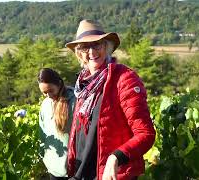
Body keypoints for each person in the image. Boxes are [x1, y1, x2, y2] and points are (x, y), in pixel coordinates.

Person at [65, 20, 156, 180]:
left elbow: (145, 133)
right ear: (79, 53)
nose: (91, 52)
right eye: (85, 47)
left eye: (97, 45)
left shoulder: (124, 79)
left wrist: (116, 158)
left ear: (107, 46)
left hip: (111, 175)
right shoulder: (83, 85)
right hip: (82, 173)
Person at [38, 68, 76, 180]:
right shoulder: (45, 105)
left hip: (74, 168)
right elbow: (42, 134)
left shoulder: (75, 101)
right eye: (44, 93)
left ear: (59, 84)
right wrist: (44, 157)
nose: (48, 95)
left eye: (51, 91)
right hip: (53, 169)